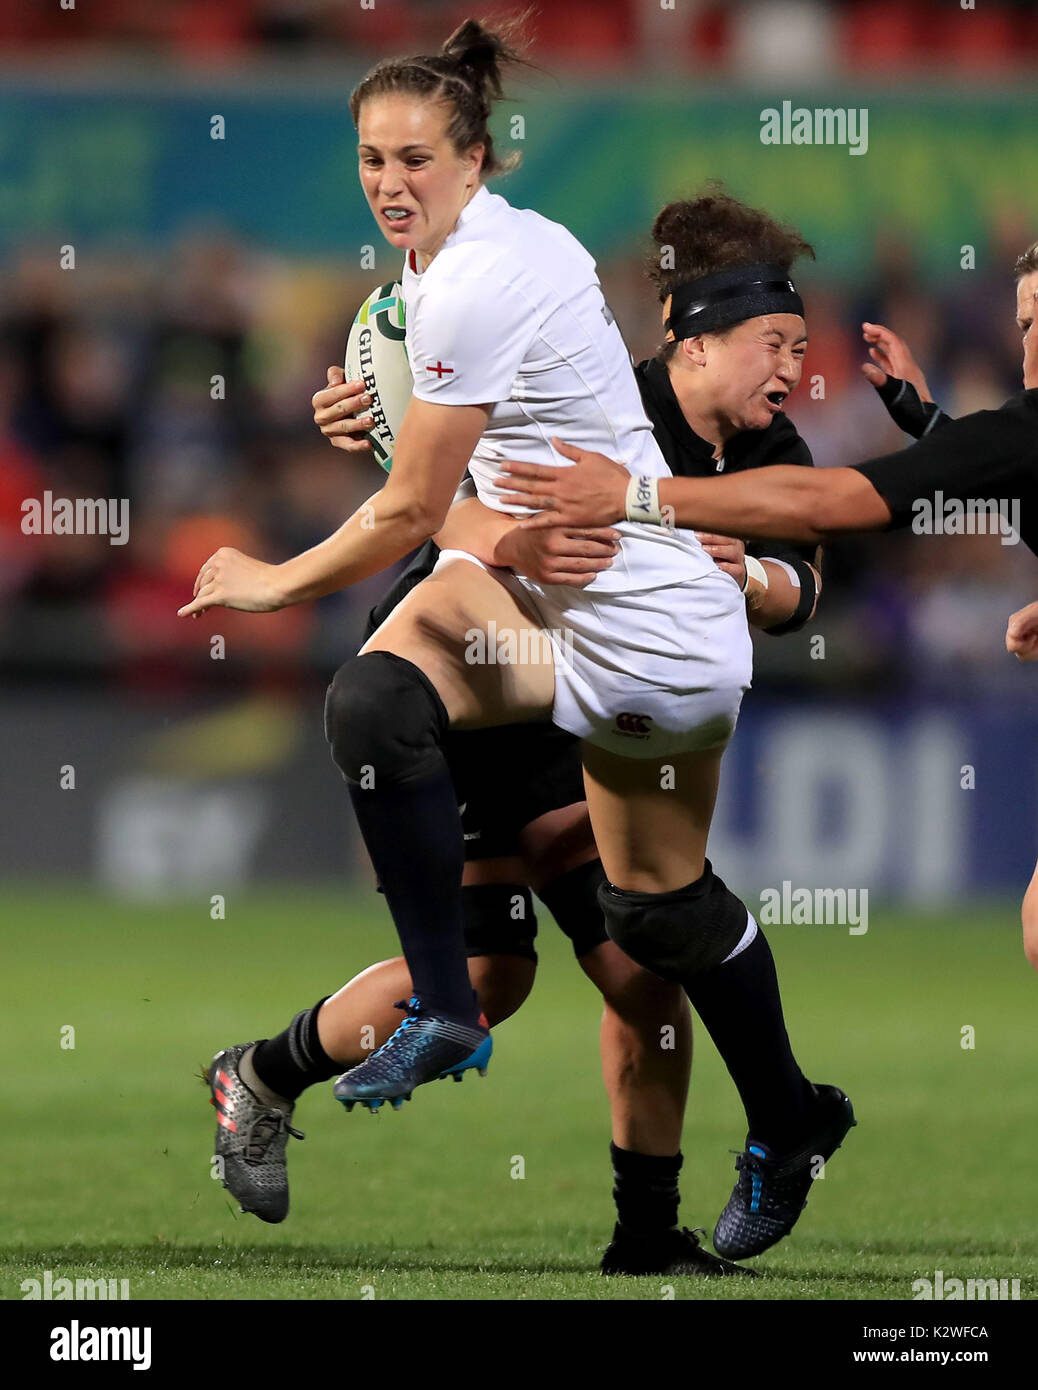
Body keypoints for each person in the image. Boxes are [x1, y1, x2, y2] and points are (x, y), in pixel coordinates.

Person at [185, 25, 853, 1264]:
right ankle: (279, 1070)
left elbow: (805, 574)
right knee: (497, 965)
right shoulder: (605, 375)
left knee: (646, 960)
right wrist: (381, 429)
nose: (792, 367)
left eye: (799, 346)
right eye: (774, 342)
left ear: (474, 160)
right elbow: (437, 453)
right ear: (691, 339)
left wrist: (748, 573)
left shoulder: (763, 454)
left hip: (591, 653)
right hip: (506, 666)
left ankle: (655, 1229)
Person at [498, 239, 1038, 967]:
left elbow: (832, 505)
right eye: (1025, 321)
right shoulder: (613, 406)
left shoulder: (773, 449)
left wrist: (637, 497)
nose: (1027, 341)